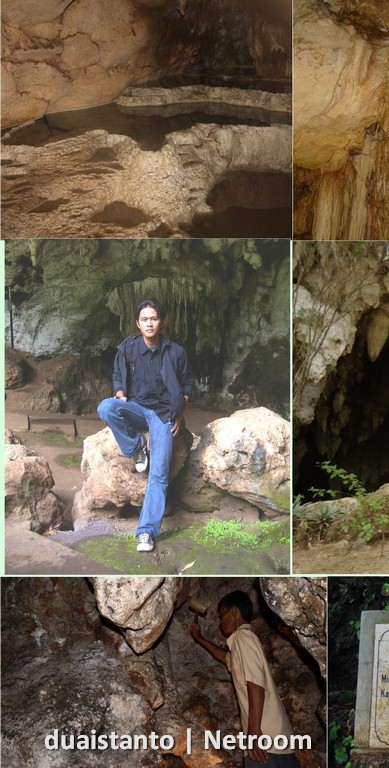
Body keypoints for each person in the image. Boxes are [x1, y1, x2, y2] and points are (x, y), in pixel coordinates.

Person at [96, 299, 193, 553]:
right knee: (106, 407)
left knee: (158, 473)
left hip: (163, 415)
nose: (150, 323)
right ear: (137, 323)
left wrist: (179, 416)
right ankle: (136, 446)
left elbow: (186, 388)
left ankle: (146, 532)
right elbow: (118, 376)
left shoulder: (176, 352)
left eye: (154, 318)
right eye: (145, 319)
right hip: (137, 409)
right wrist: (120, 394)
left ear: (161, 322)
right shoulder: (128, 348)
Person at [190, 591, 301, 767]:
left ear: (234, 612)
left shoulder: (243, 638)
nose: (220, 623)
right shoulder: (244, 642)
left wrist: (254, 732)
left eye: (222, 615)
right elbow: (227, 657)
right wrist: (199, 639)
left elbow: (255, 683)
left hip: (264, 740)